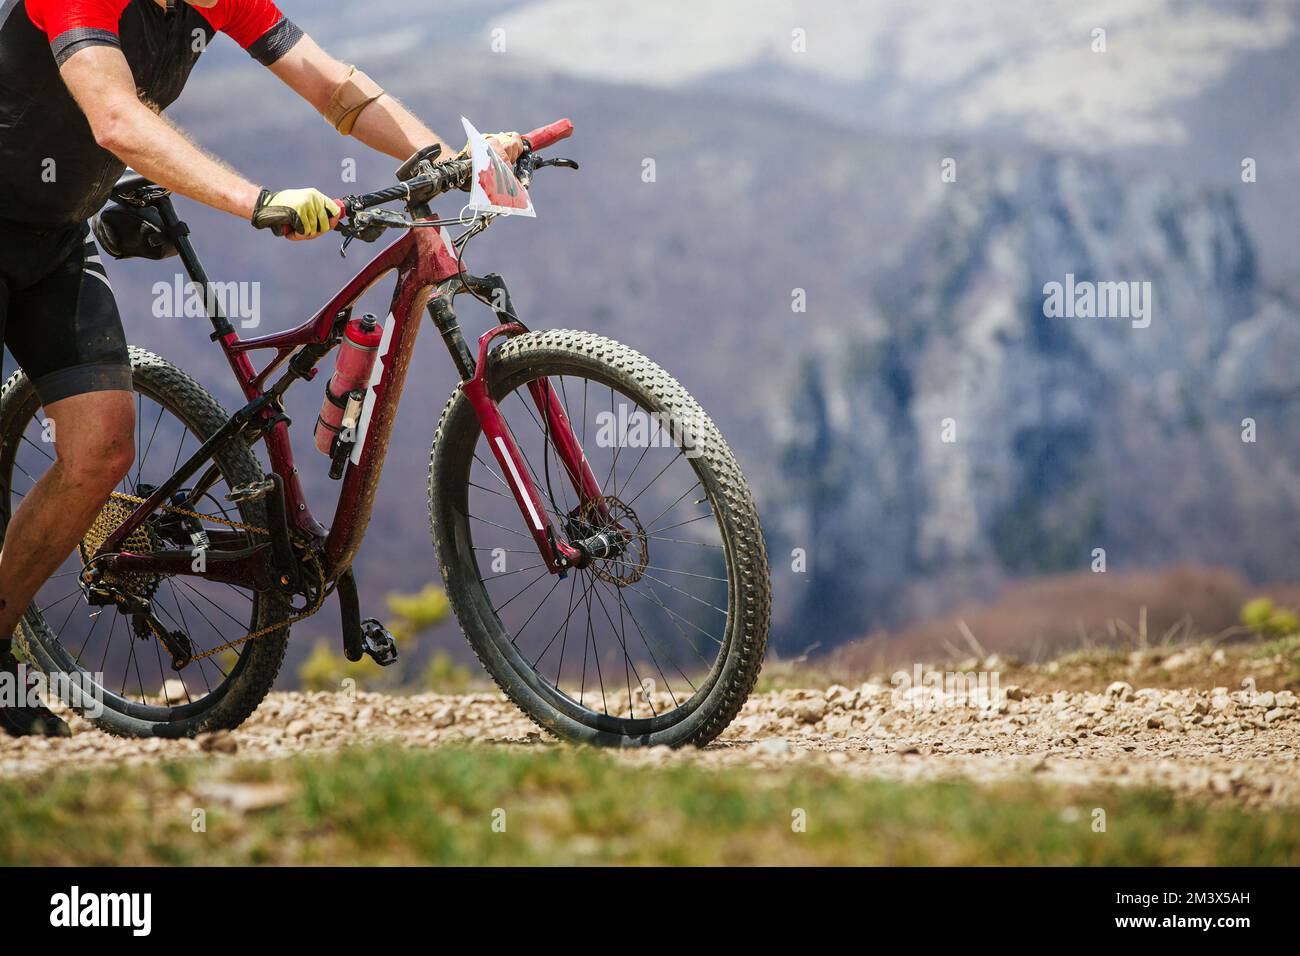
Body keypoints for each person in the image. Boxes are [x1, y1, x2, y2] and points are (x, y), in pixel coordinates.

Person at [0, 0, 524, 735]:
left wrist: (439, 155)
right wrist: (258, 201)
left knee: (102, 449)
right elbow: (115, 118)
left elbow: (333, 87)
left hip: (55, 239)